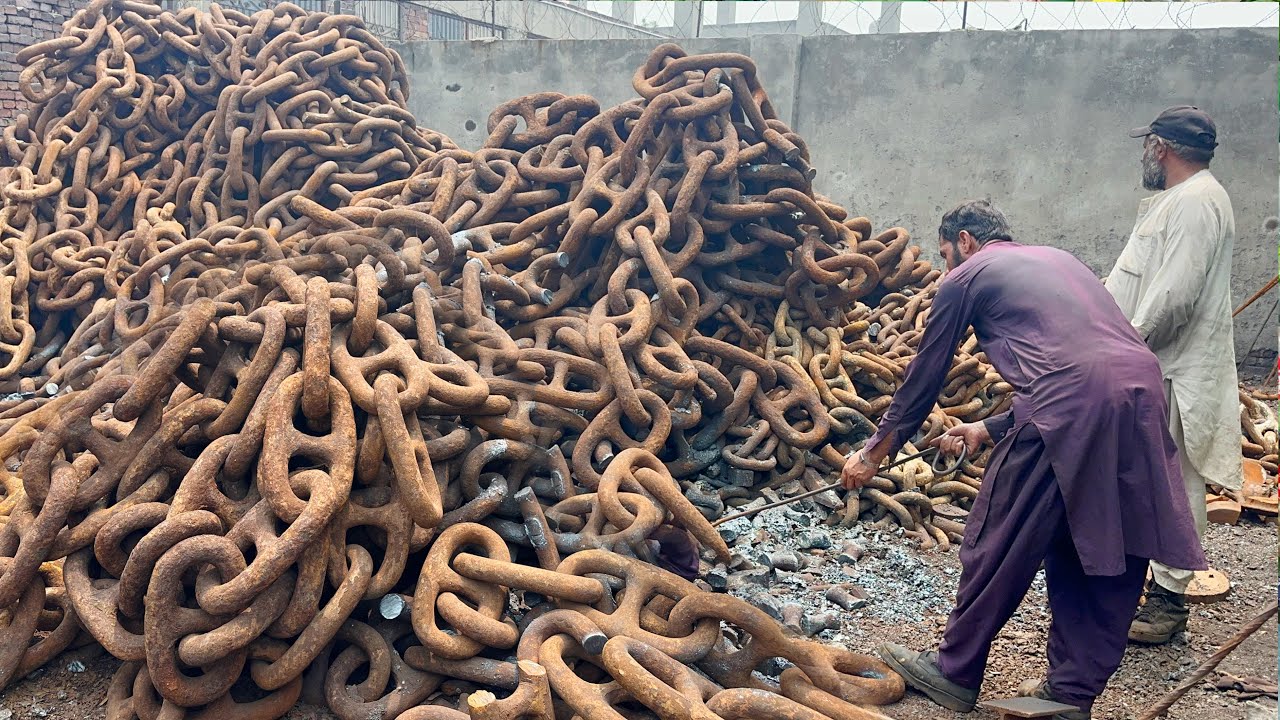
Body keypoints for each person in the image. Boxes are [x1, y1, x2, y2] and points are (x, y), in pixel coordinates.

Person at [840, 200, 1206, 719]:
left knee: (1001, 533)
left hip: (1072, 398)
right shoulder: (1061, 261)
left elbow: (925, 377)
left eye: (947, 254)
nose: (948, 267)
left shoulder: (967, 275)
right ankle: (1071, 693)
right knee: (1107, 539)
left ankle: (954, 671)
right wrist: (987, 427)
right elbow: (1080, 358)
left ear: (964, 241)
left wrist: (874, 453)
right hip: (1141, 394)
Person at [1107, 105, 1241, 646]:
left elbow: (1173, 296)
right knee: (1148, 480)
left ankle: (1167, 604)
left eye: (1148, 145)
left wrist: (1123, 350)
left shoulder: (1195, 203)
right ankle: (1139, 586)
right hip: (1155, 366)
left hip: (1172, 370)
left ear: (1161, 147)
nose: (1144, 153)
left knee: (1174, 485)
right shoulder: (1183, 200)